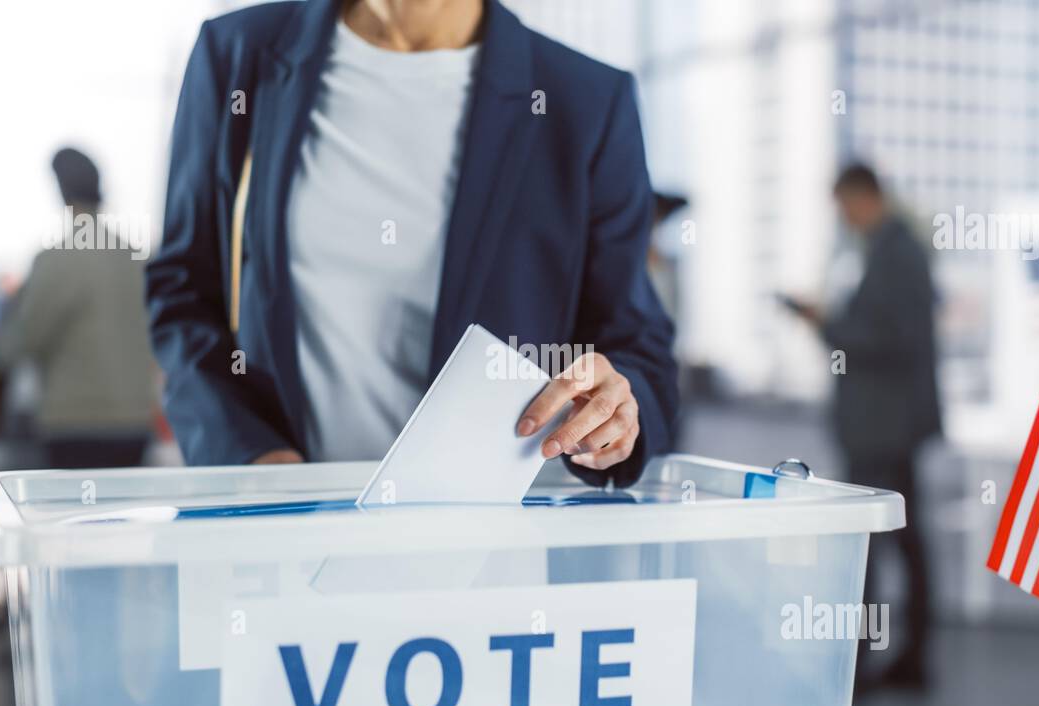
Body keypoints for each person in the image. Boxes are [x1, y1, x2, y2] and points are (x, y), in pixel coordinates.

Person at [147, 0, 677, 487]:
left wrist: (616, 412)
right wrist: (250, 457)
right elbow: (184, 295)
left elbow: (635, 345)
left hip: (486, 549)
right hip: (271, 528)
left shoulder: (582, 101)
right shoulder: (239, 56)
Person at [784, 162, 941, 688]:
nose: (843, 218)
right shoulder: (887, 252)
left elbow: (892, 341)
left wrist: (826, 323)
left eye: (844, 206)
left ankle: (878, 661)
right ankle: (897, 658)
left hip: (885, 427)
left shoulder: (898, 254)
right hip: (884, 425)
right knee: (897, 540)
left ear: (863, 196)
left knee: (883, 542)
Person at [0, 148, 156, 469]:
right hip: (135, 425)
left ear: (61, 190)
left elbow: (18, 346)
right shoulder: (137, 257)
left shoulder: (56, 260)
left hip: (76, 427)